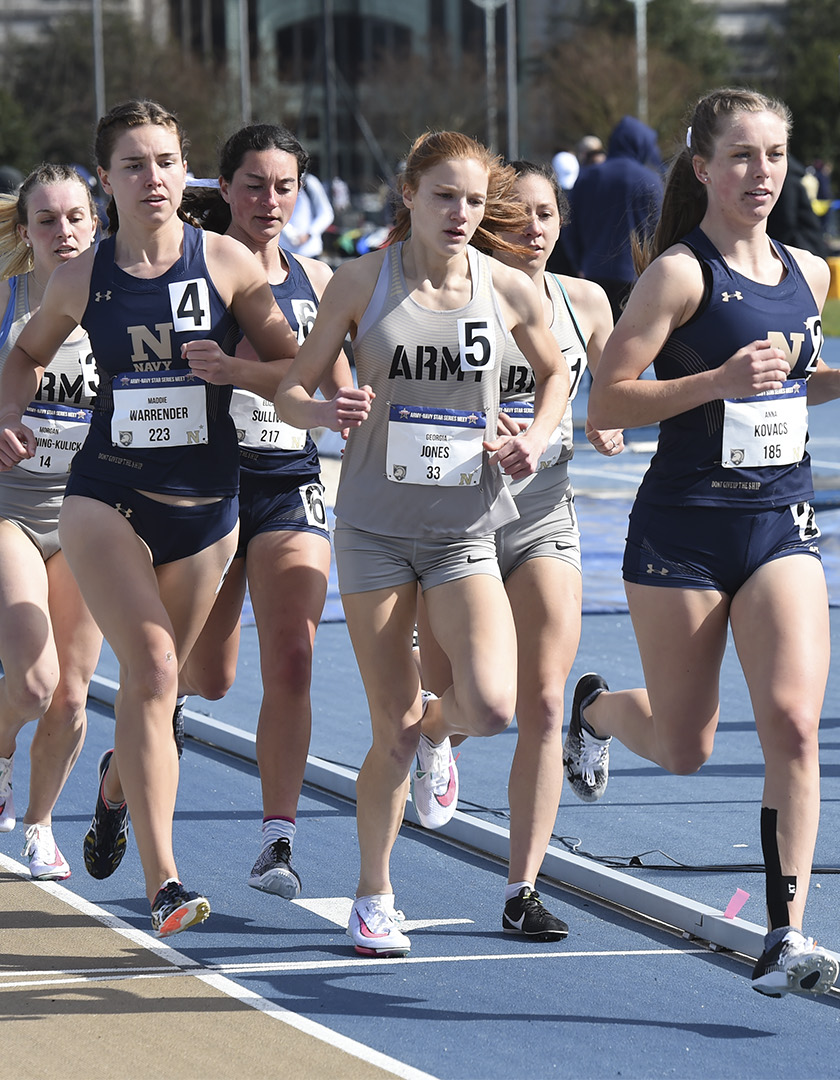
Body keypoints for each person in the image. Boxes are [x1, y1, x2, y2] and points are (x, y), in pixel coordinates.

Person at [564, 86, 840, 997]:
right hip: (684, 533)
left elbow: (784, 381)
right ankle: (591, 709)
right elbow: (607, 401)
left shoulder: (811, 273)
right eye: (742, 156)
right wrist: (713, 379)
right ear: (703, 167)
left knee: (794, 722)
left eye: (776, 155)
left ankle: (787, 934)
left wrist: (838, 381)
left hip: (781, 523)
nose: (762, 174)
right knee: (685, 747)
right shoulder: (679, 273)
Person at [0, 99, 303, 936]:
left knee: (158, 689)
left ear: (184, 170)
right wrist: (8, 413)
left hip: (208, 509)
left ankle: (111, 794)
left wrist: (238, 370)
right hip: (107, 495)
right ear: (107, 181)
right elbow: (23, 358)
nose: (154, 178)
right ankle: (165, 882)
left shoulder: (229, 263)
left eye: (167, 161)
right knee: (160, 667)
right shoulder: (82, 276)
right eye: (134, 165)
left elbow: (299, 367)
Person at [274, 130, 569, 958]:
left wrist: (535, 438)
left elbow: (556, 375)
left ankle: (444, 731)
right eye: (444, 196)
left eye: (474, 200)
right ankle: (374, 895)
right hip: (372, 533)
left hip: (466, 528)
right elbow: (296, 387)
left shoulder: (508, 288)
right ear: (408, 195)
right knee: (391, 730)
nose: (460, 214)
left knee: (493, 705)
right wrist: (323, 413)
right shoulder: (361, 282)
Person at [415, 158, 620, 942]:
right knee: (465, 701)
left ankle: (520, 888)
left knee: (538, 701)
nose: (536, 228)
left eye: (548, 214)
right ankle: (434, 731)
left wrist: (607, 414)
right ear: (490, 225)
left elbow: (623, 379)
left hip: (541, 518)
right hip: (455, 522)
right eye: (520, 215)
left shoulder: (585, 301)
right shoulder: (450, 296)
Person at [159, 125, 353, 901]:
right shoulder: (193, 271)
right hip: (207, 485)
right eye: (252, 185)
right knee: (208, 677)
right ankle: (129, 764)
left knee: (295, 657)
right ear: (226, 187)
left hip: (289, 483)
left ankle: (279, 837)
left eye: (283, 186)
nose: (268, 201)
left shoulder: (317, 276)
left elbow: (337, 388)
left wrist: (359, 408)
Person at [0, 163, 103, 882]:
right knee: (33, 684)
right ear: (24, 232)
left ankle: (38, 825)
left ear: (96, 224)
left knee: (71, 693)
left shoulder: (125, 308)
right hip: (10, 509)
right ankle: (3, 744)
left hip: (90, 515)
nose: (63, 233)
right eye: (47, 221)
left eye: (76, 218)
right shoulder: (6, 304)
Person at [564, 117, 664, 318]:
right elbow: (660, 230)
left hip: (592, 273)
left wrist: (579, 264)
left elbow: (568, 225)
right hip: (636, 276)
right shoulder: (650, 180)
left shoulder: (588, 177)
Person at [279, 171, 334, 260]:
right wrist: (289, 233)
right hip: (283, 253)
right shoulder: (276, 181)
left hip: (310, 252)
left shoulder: (310, 182)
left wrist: (309, 233)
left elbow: (326, 213)